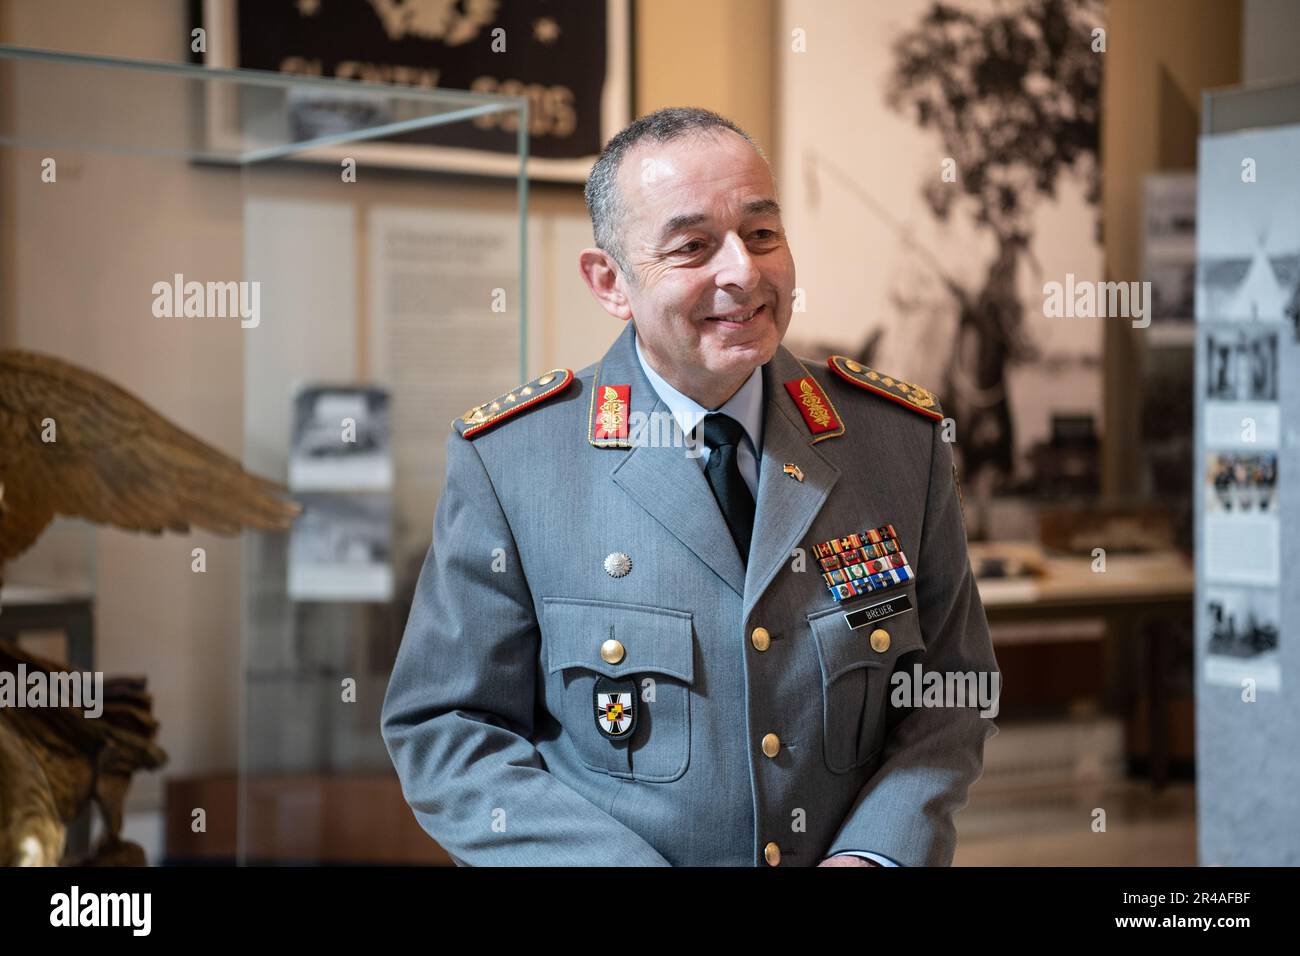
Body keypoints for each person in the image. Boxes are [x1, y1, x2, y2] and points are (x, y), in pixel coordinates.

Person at [381, 107, 999, 866]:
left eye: (762, 234)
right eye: (693, 246)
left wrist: (878, 854)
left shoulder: (899, 442)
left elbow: (952, 689)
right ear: (610, 281)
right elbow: (448, 729)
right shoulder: (515, 463)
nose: (742, 271)